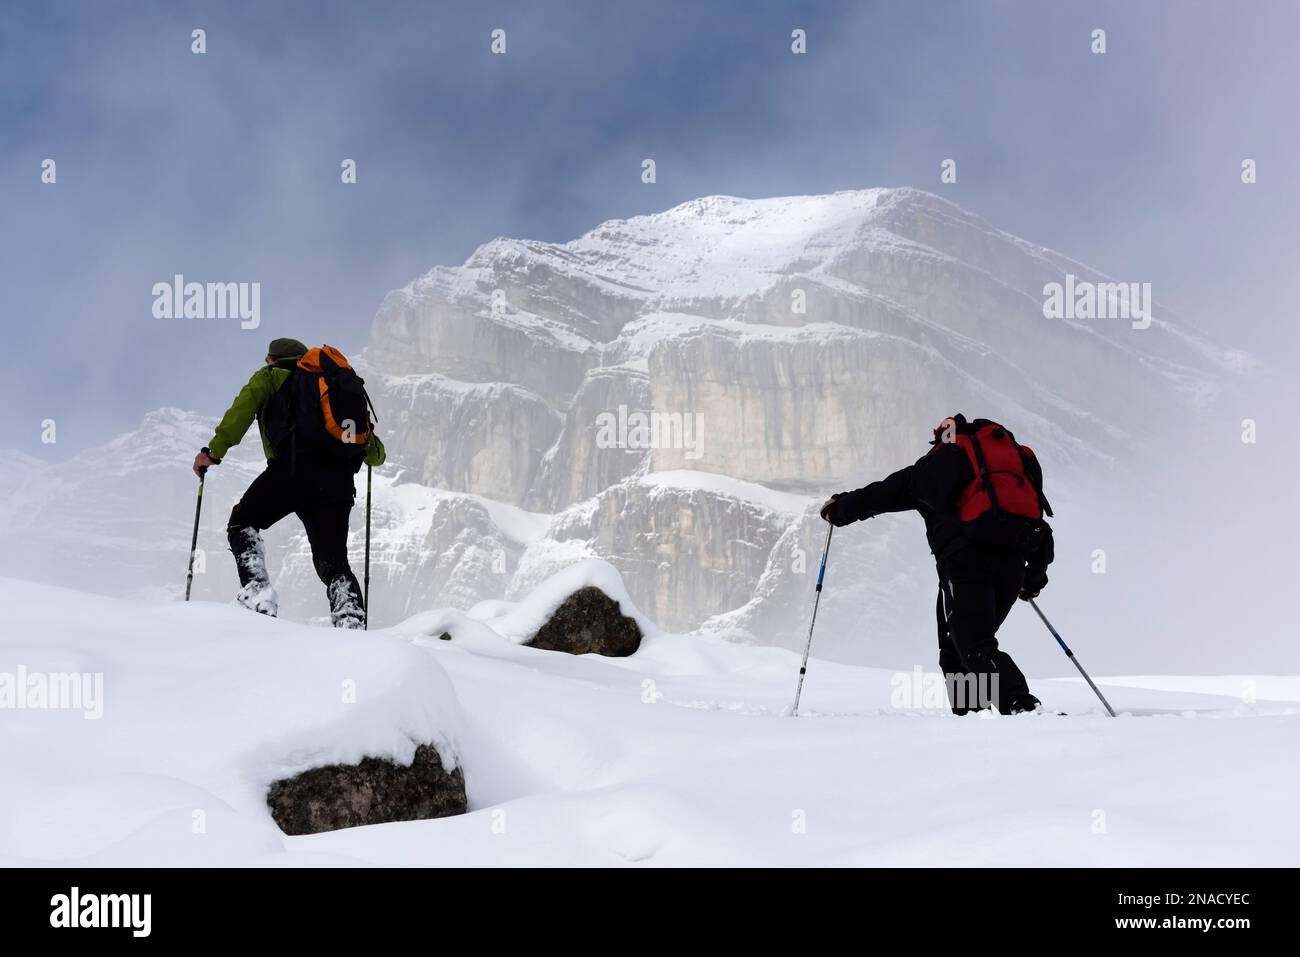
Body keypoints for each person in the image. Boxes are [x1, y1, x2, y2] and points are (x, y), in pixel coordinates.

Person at [820, 414, 1053, 715]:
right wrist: (1031, 579)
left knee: (972, 645)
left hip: (965, 565)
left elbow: (886, 493)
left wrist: (841, 509)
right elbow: (1036, 525)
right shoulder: (1012, 468)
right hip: (1011, 566)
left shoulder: (938, 465)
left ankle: (1021, 704)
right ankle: (973, 715)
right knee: (959, 646)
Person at [191, 338, 385, 627]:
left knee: (242, 522)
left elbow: (241, 412)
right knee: (334, 563)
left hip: (293, 472)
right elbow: (376, 454)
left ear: (272, 359)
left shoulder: (269, 377)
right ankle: (350, 622)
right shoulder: (330, 388)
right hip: (337, 485)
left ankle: (259, 595)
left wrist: (213, 453)